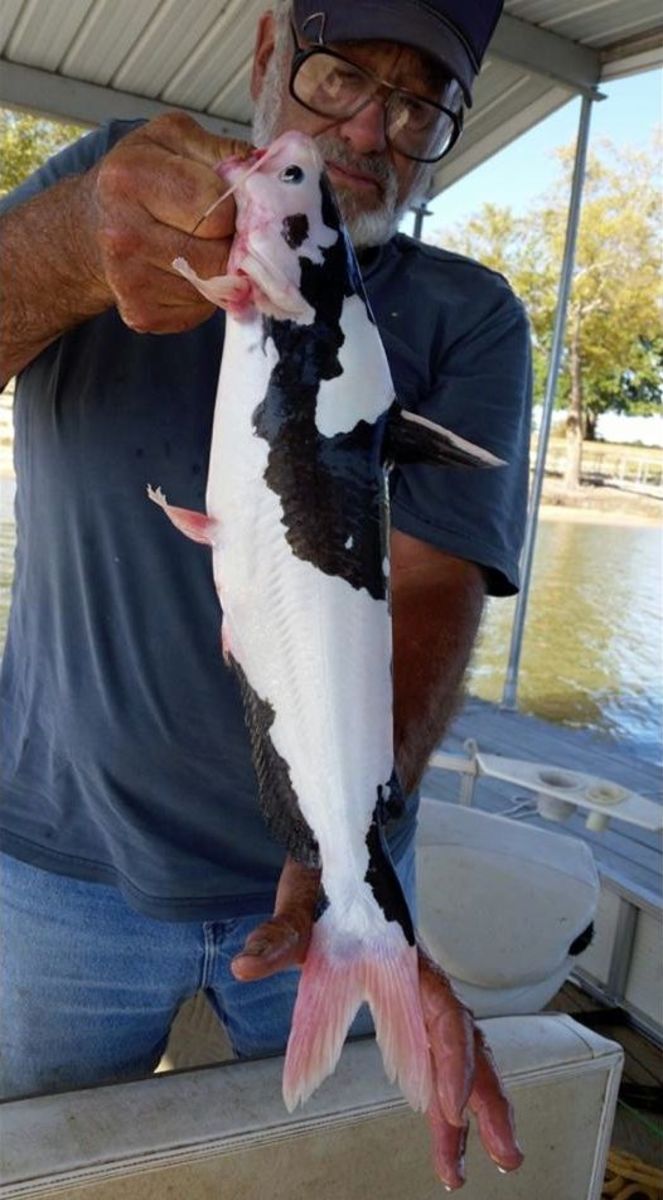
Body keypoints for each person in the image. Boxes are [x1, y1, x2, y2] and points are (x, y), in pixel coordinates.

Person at [0, 0, 530, 1188]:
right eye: (340, 73)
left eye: (419, 103)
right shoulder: (108, 186)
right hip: (53, 867)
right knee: (34, 1172)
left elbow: (435, 597)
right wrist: (69, 249)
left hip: (321, 879)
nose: (368, 126)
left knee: (312, 1177)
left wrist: (351, 871)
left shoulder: (469, 317)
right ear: (266, 55)